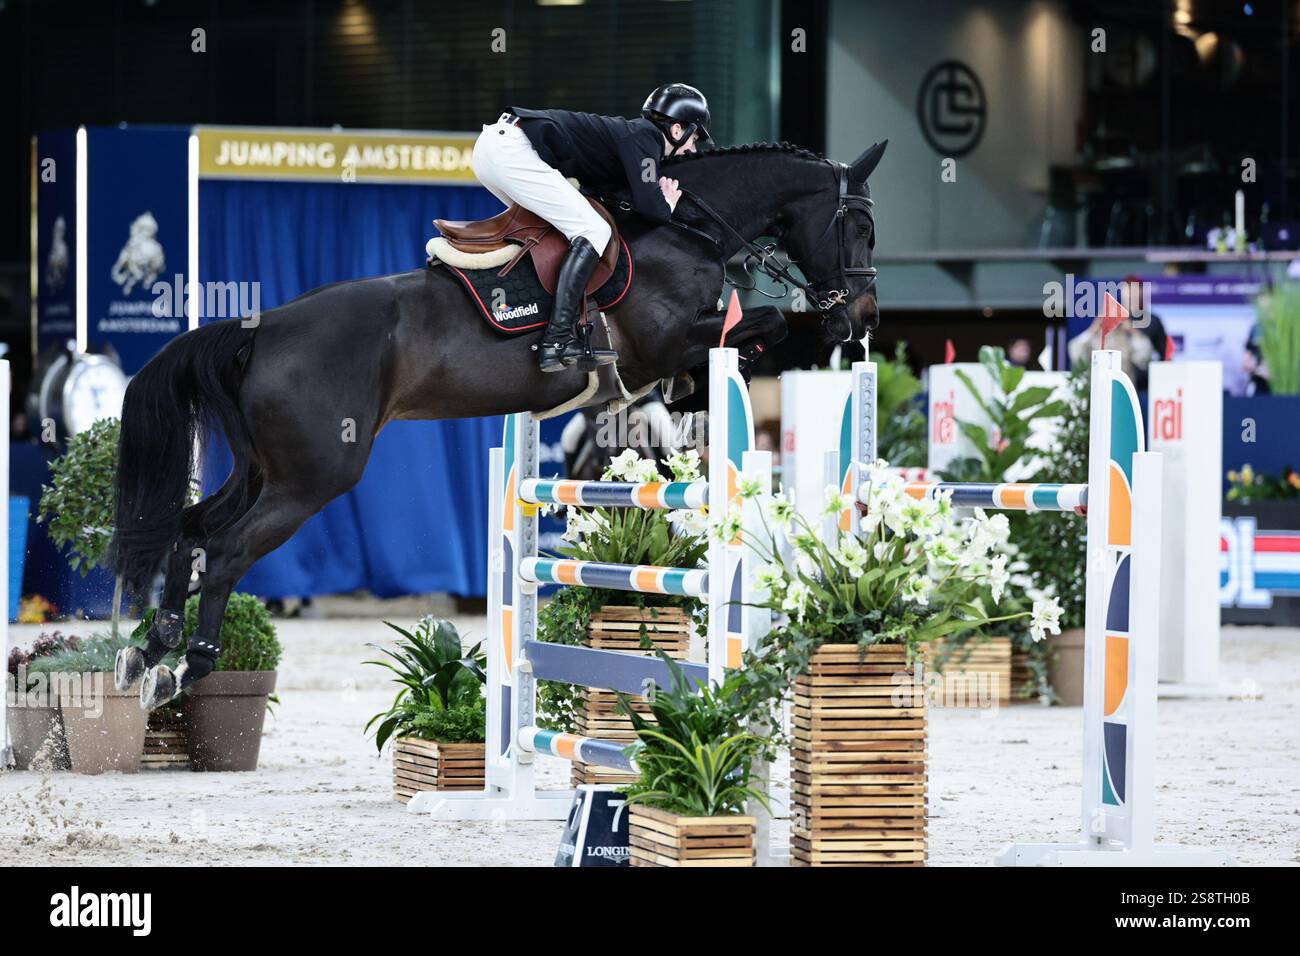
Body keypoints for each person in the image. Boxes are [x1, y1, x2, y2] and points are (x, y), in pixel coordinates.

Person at [470, 84, 712, 372]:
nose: (693, 149)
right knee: (594, 231)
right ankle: (557, 339)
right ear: (676, 130)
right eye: (694, 139)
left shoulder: (633, 139)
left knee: (555, 232)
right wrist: (668, 202)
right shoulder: (646, 138)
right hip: (511, 149)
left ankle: (526, 319)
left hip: (493, 149)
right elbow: (652, 209)